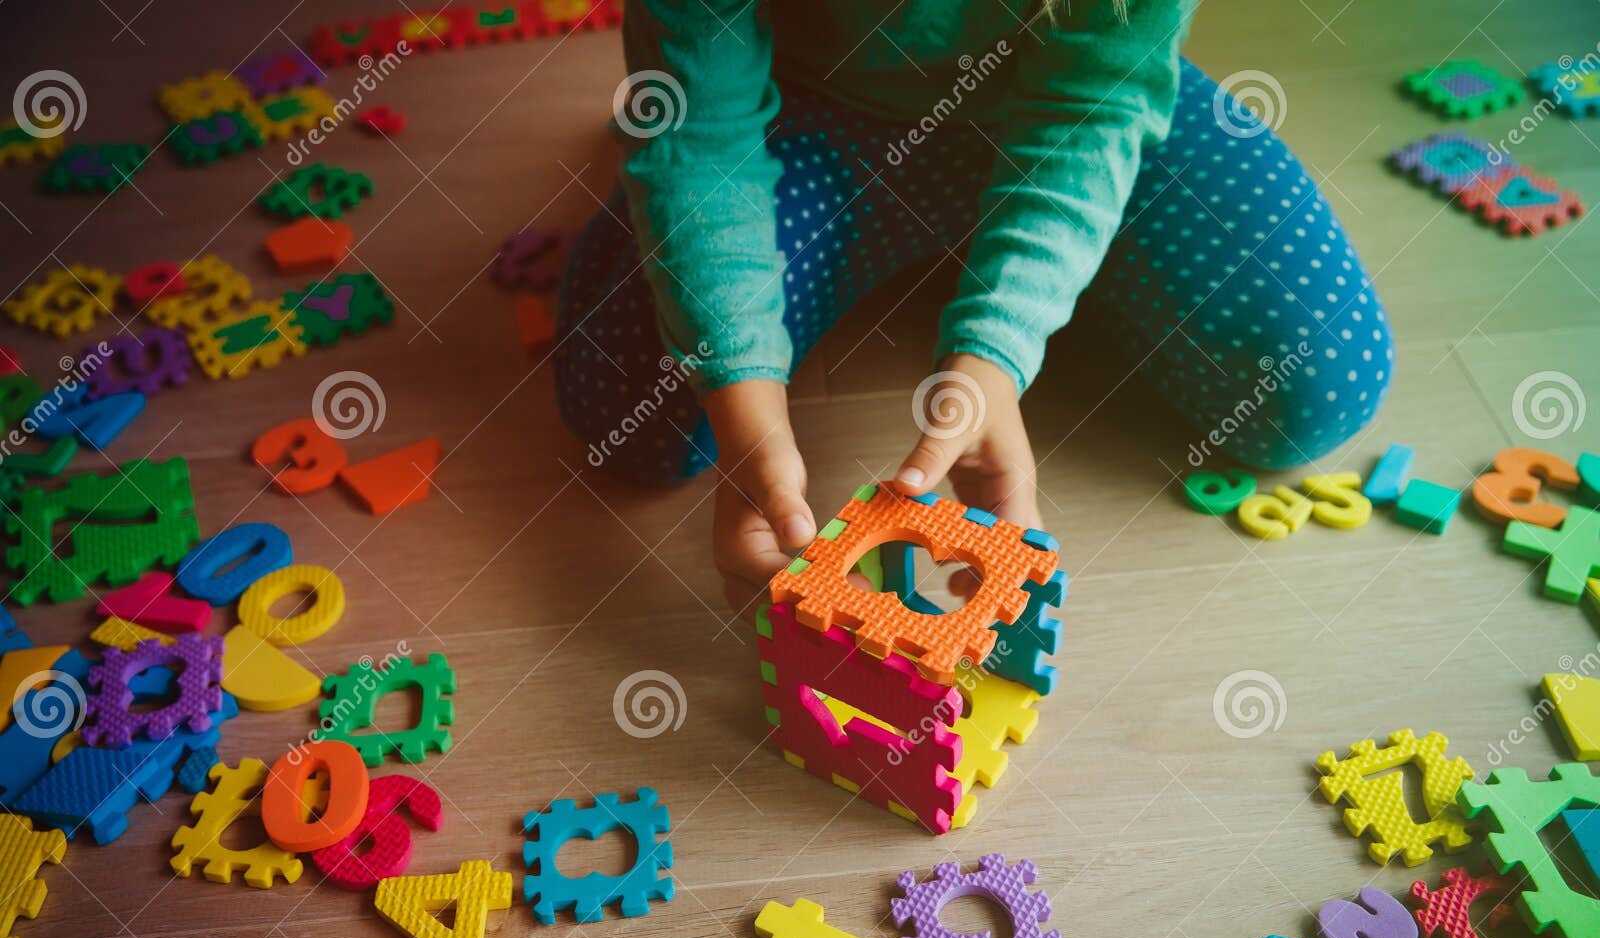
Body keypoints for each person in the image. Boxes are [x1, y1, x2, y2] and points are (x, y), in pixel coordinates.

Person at [555, 0, 1394, 610]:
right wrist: (744, 397)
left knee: (1317, 378)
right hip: (809, 111)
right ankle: (1012, 256)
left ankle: (1030, 253)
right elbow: (699, 132)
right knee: (633, 402)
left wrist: (1000, 344)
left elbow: (1093, 102)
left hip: (1073, 96)